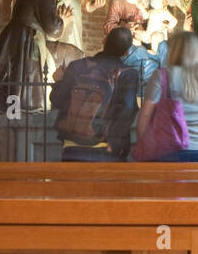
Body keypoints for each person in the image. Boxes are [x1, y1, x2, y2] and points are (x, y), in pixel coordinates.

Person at [0, 0, 75, 111]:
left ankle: (18, 110)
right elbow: (52, 29)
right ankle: (20, 111)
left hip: (22, 37)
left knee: (21, 78)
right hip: (24, 39)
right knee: (23, 78)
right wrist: (63, 21)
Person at [50, 27, 141, 161]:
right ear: (127, 52)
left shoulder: (77, 66)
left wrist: (58, 81)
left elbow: (57, 99)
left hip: (72, 146)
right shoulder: (128, 74)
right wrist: (114, 142)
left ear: (104, 41)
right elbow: (126, 110)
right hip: (106, 148)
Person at [136, 31, 198, 162]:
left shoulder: (162, 76)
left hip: (169, 147)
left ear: (173, 51)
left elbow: (145, 114)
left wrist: (142, 141)